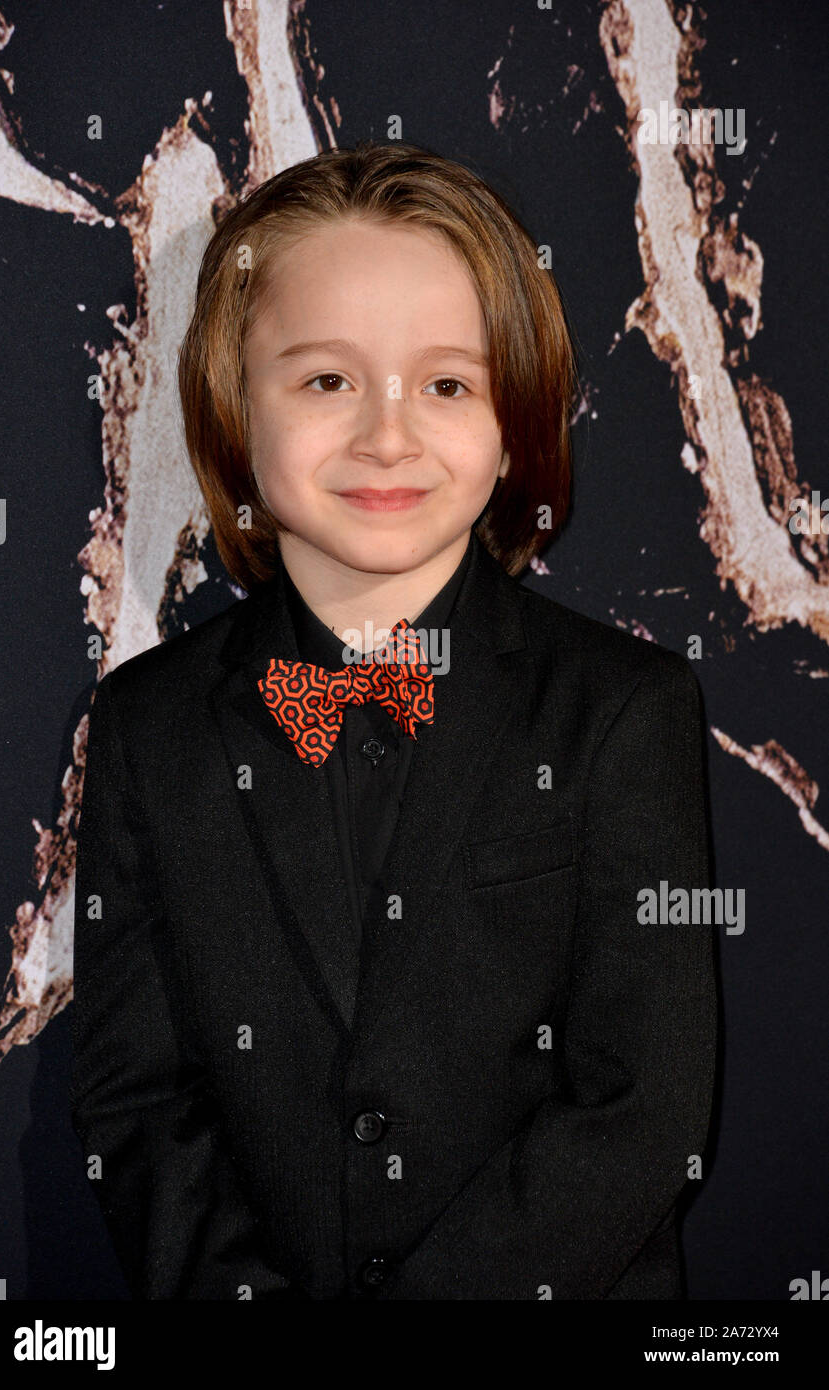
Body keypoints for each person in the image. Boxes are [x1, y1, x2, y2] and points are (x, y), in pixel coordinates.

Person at [70, 139, 717, 1300]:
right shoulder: (145, 727)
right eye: (325, 380)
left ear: (514, 421)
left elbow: (639, 1109)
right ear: (231, 408)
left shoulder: (626, 712)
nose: (386, 435)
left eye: (447, 383)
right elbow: (138, 1105)